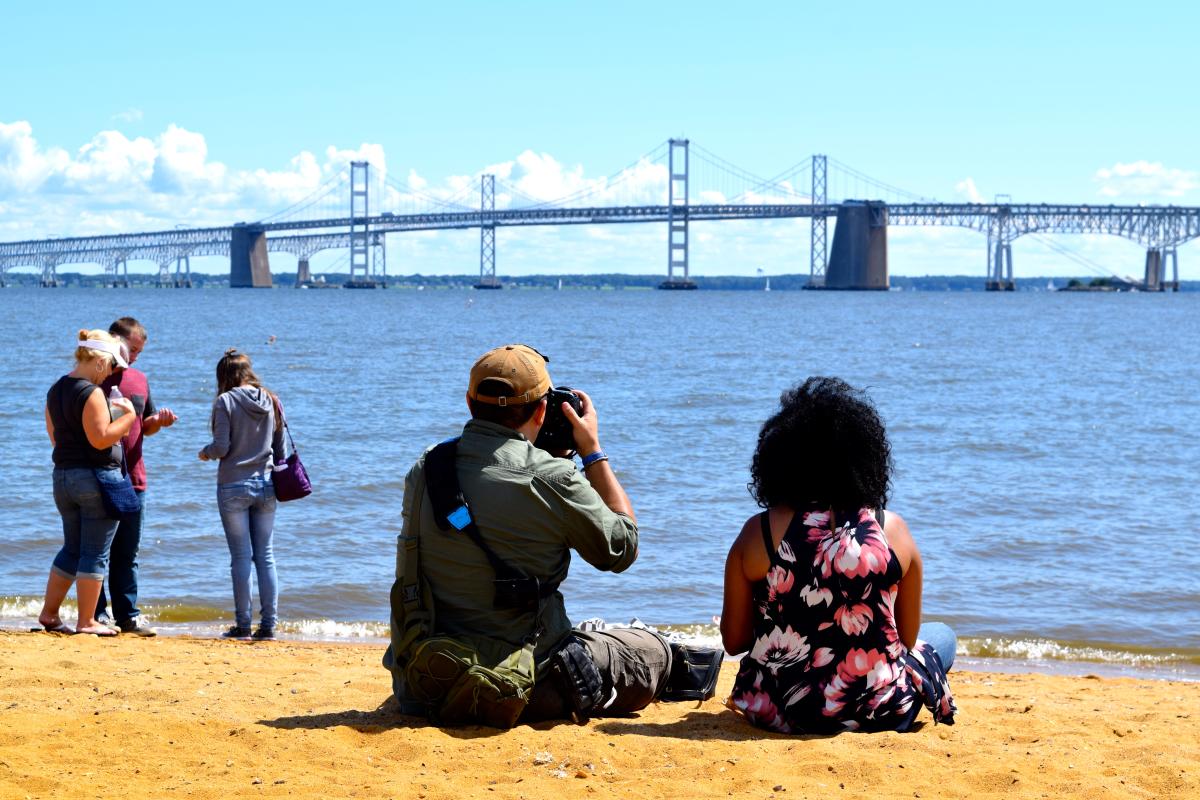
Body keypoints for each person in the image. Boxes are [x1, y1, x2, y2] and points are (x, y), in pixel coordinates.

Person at [387, 344, 673, 723]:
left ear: (470, 404)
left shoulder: (425, 469)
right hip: (520, 684)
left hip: (425, 677)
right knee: (653, 649)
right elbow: (621, 549)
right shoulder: (553, 477)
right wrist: (592, 453)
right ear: (543, 410)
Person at [721, 377, 956, 734]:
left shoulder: (760, 532)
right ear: (866, 458)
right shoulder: (890, 529)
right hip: (878, 712)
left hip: (778, 710)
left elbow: (734, 641)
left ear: (780, 457)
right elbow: (906, 640)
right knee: (941, 637)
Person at [38, 329, 137, 636]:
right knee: (95, 552)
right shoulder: (91, 392)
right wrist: (129, 417)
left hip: (64, 477)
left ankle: (49, 614)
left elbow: (55, 438)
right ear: (99, 361)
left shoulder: (56, 390)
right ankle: (87, 621)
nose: (110, 372)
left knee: (72, 548)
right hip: (95, 478)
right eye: (110, 365)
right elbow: (99, 439)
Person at [95, 317, 178, 636]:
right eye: (132, 349)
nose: (135, 357)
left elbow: (146, 425)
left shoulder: (140, 379)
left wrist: (158, 421)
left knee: (128, 553)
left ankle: (128, 615)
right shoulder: (95, 378)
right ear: (114, 340)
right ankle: (97, 614)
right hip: (99, 474)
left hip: (134, 477)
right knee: (97, 551)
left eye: (140, 352)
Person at [198, 349, 284, 642]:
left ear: (225, 376)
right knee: (266, 556)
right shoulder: (271, 399)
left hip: (234, 485)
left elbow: (222, 447)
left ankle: (243, 626)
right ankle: (269, 626)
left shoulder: (225, 401)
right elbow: (279, 446)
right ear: (249, 371)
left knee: (241, 557)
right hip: (267, 483)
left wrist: (206, 452)